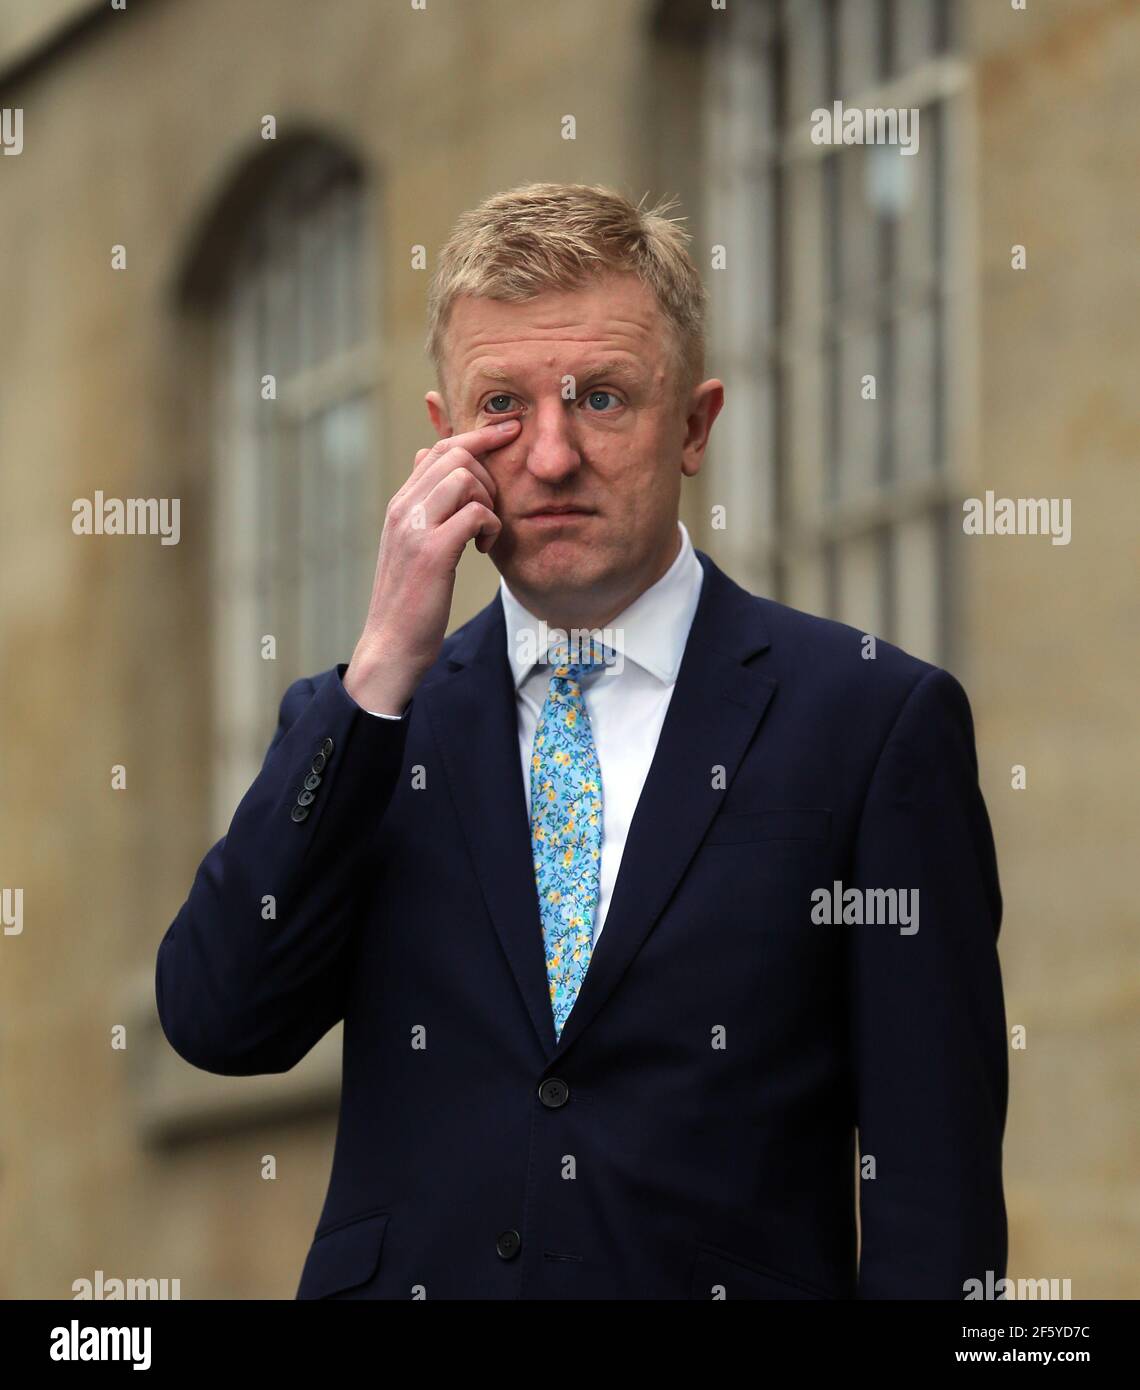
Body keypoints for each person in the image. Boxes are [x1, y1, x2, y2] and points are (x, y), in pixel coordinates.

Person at [156, 181, 1008, 1300]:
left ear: (695, 425)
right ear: (441, 438)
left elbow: (933, 1199)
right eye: (501, 407)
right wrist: (375, 677)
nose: (549, 457)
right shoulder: (368, 725)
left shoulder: (869, 723)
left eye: (601, 399)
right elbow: (222, 1021)